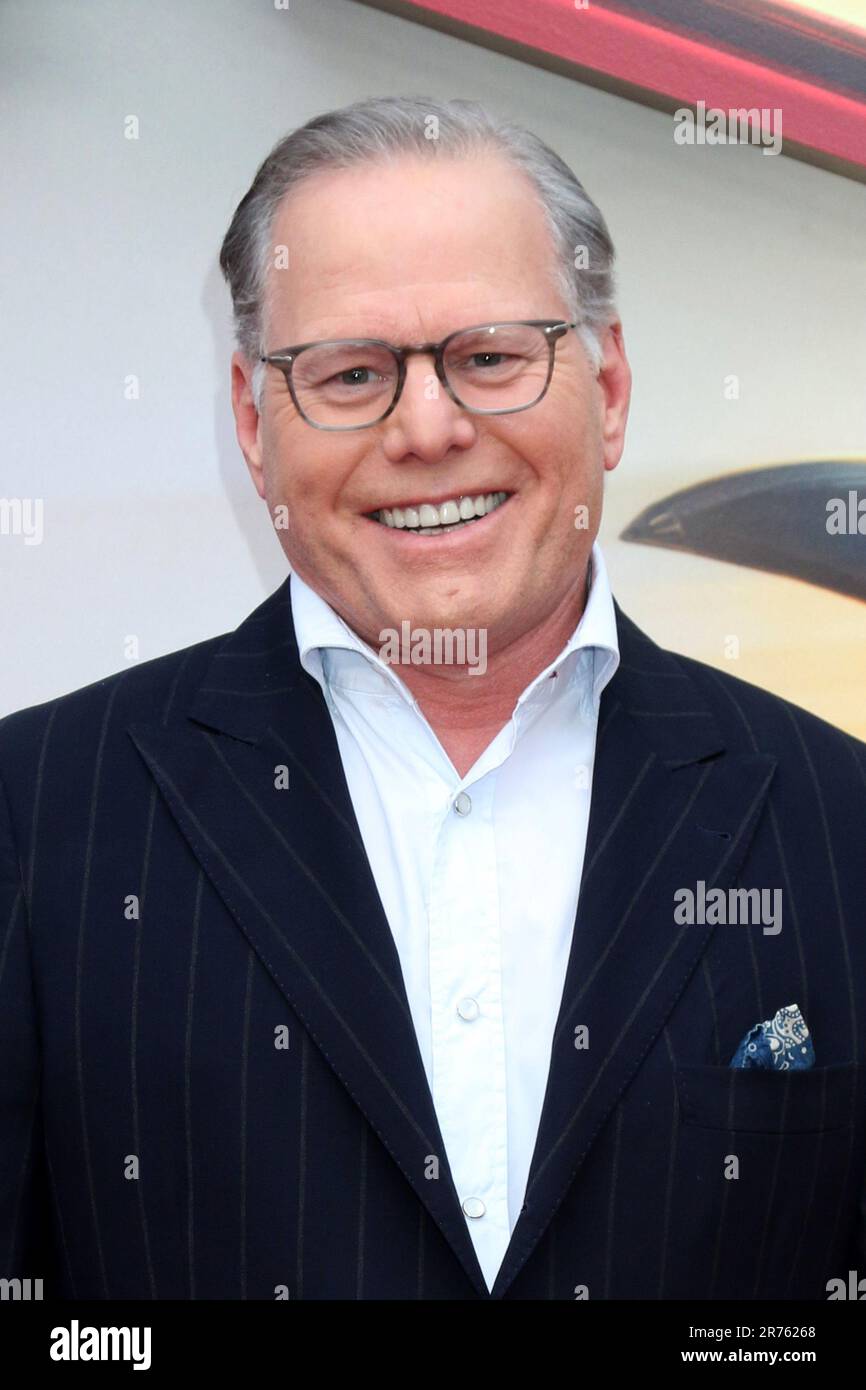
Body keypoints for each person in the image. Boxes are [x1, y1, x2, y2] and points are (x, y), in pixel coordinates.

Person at [1, 95, 864, 1302]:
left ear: (607, 388)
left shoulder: (842, 825)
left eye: (491, 356)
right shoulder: (34, 821)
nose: (428, 427)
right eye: (350, 374)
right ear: (253, 423)